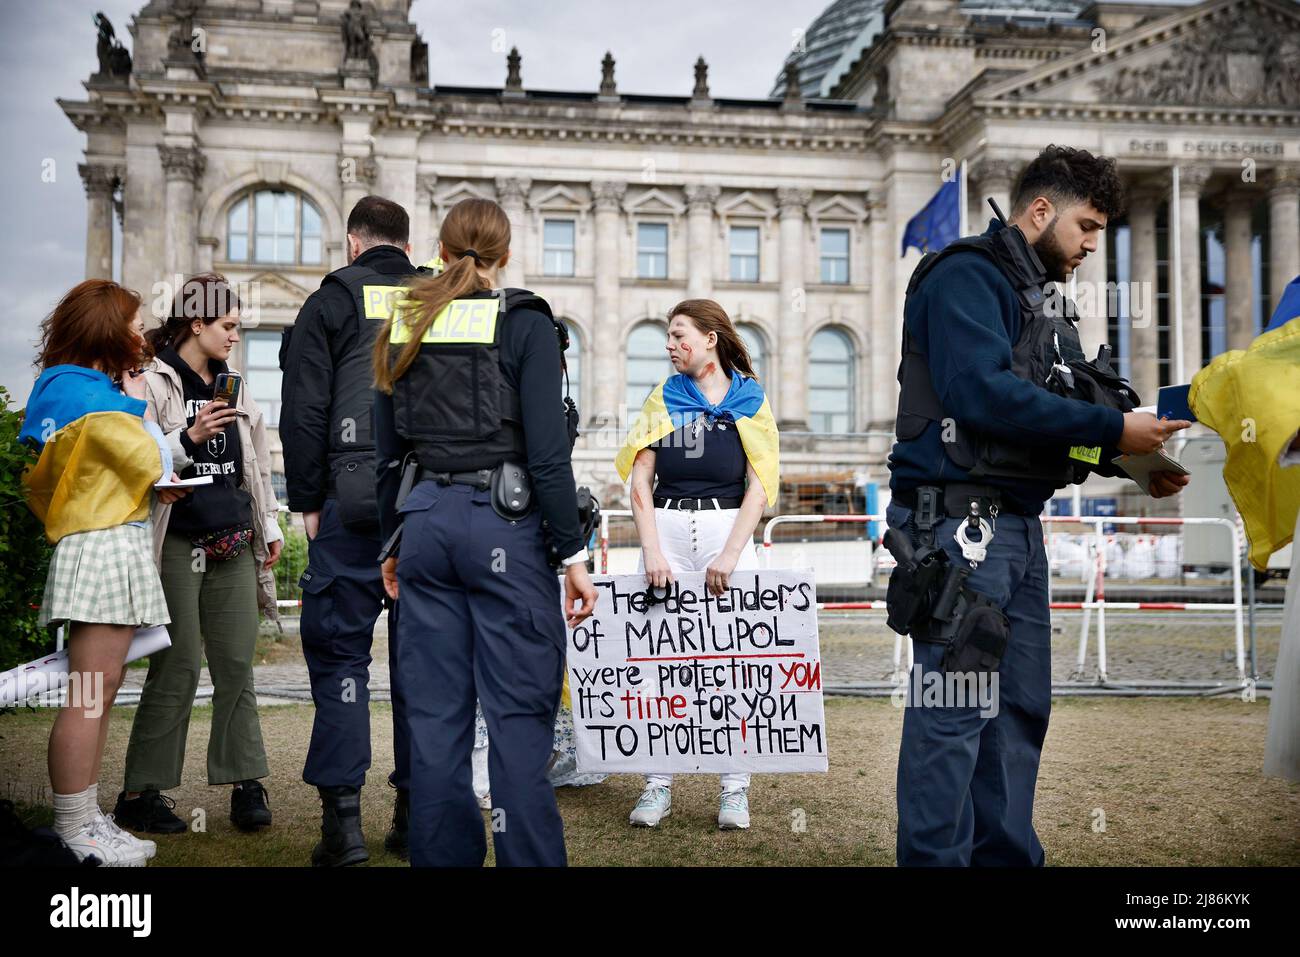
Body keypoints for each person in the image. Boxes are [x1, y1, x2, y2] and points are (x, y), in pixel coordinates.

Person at [885, 145, 1192, 866]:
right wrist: (1113, 428)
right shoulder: (966, 275)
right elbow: (981, 395)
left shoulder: (1045, 302)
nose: (1090, 246)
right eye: (1086, 227)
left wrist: (1125, 460)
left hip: (1016, 528)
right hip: (960, 527)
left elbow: (1045, 418)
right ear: (1041, 209)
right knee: (955, 713)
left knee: (1016, 712)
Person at [372, 196, 597, 867]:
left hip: (426, 524)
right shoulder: (526, 323)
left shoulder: (407, 317)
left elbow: (387, 454)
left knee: (437, 723)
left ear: (440, 252)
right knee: (519, 721)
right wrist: (574, 556)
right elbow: (549, 458)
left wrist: (393, 542)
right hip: (504, 523)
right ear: (503, 255)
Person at [19, 279, 192, 865]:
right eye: (133, 323)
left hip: (105, 543)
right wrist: (138, 398)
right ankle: (75, 826)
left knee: (99, 689)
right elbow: (146, 458)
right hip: (104, 546)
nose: (141, 334)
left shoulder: (66, 386)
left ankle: (87, 817)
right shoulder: (89, 393)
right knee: (90, 694)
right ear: (106, 327)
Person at [112, 274, 282, 836]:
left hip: (234, 538)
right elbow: (136, 458)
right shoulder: (151, 379)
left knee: (237, 666)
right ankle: (140, 794)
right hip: (176, 541)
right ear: (197, 324)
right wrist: (186, 438)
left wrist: (270, 523)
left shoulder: (233, 382)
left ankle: (245, 782)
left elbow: (255, 457)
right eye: (229, 326)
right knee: (177, 666)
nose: (236, 336)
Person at [279, 195, 418, 865]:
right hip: (428, 503)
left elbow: (303, 409)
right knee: (425, 664)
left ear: (354, 244)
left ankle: (344, 827)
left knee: (340, 659)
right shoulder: (440, 298)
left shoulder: (329, 300)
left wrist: (308, 496)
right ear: (407, 246)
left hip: (351, 496)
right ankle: (416, 816)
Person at [613, 299, 779, 830]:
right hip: (667, 531)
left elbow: (759, 485)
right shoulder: (663, 396)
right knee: (663, 667)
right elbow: (641, 479)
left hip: (727, 533)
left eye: (679, 334)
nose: (670, 344)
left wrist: (732, 553)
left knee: (734, 667)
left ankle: (734, 790)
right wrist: (653, 549)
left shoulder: (752, 398)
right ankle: (657, 784)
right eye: (667, 335)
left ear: (711, 338)